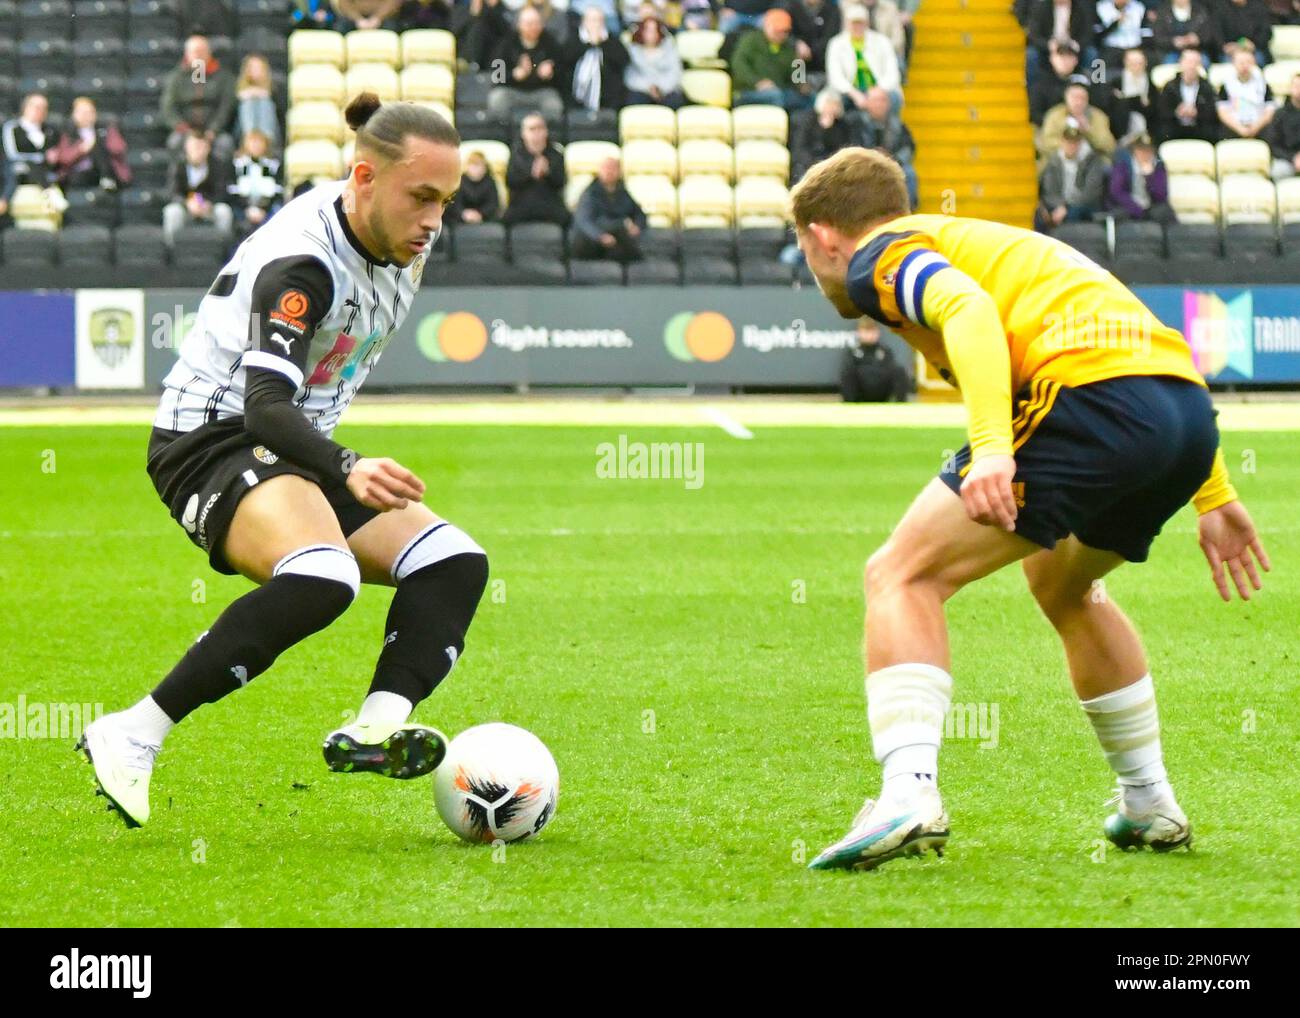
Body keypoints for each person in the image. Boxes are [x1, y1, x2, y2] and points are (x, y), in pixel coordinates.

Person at [790, 146, 1267, 870]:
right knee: (1063, 583)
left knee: (901, 575)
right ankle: (1148, 800)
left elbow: (966, 309)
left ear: (826, 233)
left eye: (803, 246)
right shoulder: (999, 245)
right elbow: (1146, 341)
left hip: (1092, 399)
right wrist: (1214, 488)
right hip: (1182, 413)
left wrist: (992, 449)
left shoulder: (878, 256)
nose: (810, 263)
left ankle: (907, 794)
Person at [78, 94, 489, 830]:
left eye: (447, 202)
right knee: (324, 575)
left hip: (298, 450)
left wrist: (333, 464)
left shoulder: (402, 245)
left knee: (453, 561)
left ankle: (374, 730)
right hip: (213, 439)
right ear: (363, 177)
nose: (434, 220)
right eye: (421, 197)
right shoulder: (303, 264)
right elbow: (265, 404)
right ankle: (134, 731)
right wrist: (347, 463)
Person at [161, 35, 237, 163]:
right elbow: (168, 108)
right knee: (174, 143)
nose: (199, 55)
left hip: (213, 131)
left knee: (225, 144)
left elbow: (226, 106)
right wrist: (185, 130)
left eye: (202, 51)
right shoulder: (176, 78)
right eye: (195, 52)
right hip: (185, 131)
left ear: (209, 53)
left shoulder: (223, 77)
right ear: (187, 54)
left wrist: (213, 129)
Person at [487, 6, 567, 122]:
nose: (533, 27)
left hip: (542, 90)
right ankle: (504, 135)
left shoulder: (551, 43)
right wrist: (514, 75)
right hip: (513, 90)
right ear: (519, 24)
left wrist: (551, 74)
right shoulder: (506, 43)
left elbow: (563, 72)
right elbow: (495, 75)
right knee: (497, 99)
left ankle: (543, 136)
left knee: (554, 105)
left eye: (537, 23)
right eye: (529, 24)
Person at [730, 8, 815, 111]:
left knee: (810, 98)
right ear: (767, 27)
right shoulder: (750, 40)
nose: (782, 35)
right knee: (776, 96)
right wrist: (757, 82)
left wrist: (802, 83)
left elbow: (796, 74)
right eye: (778, 31)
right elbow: (738, 64)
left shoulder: (788, 46)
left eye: (785, 31)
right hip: (748, 92)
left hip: (780, 91)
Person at [826, 4, 903, 114]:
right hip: (850, 92)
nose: (857, 27)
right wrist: (854, 93)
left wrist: (878, 90)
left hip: (878, 89)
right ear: (847, 23)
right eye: (854, 23)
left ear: (867, 23)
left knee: (893, 99)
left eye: (860, 23)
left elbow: (892, 74)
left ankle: (891, 130)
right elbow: (835, 77)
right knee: (835, 101)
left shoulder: (882, 42)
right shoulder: (836, 43)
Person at [48, 97, 132, 192]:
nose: (86, 116)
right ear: (74, 114)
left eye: (89, 112)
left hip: (103, 172)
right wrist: (81, 149)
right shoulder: (66, 132)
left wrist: (108, 135)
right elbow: (64, 158)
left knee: (98, 144)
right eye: (82, 112)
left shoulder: (104, 129)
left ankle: (106, 179)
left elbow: (118, 149)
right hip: (75, 175)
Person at [572, 155, 647, 261]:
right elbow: (584, 221)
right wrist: (601, 236)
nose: (609, 171)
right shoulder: (590, 193)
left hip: (616, 238)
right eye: (606, 168)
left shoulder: (623, 193)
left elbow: (638, 213)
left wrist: (637, 226)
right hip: (592, 241)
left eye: (613, 168)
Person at [163, 133, 235, 242]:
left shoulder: (217, 165)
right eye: (194, 147)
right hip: (186, 207)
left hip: (209, 206)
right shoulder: (178, 165)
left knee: (224, 211)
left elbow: (222, 191)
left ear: (208, 148)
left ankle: (223, 249)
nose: (198, 151)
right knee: (172, 212)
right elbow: (172, 192)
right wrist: (187, 203)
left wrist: (209, 204)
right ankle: (171, 249)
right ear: (186, 147)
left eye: (202, 147)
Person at [1034, 124, 1107, 230]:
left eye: (1075, 142)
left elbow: (1090, 193)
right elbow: (1049, 191)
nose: (1071, 146)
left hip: (1082, 205)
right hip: (1059, 205)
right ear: (1062, 142)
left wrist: (1067, 207)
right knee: (1040, 215)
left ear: (1080, 143)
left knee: (1074, 213)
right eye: (1068, 142)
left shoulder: (1091, 161)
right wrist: (1060, 206)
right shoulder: (1054, 161)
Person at [502, 112, 570, 225]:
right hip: (522, 203)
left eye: (540, 128)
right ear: (523, 133)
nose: (536, 133)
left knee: (568, 220)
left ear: (546, 131)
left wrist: (548, 172)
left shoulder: (556, 154)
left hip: (549, 202)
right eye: (532, 129)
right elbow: (510, 182)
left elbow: (561, 183)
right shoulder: (516, 154)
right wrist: (531, 173)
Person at [856, 85, 918, 209]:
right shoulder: (856, 123)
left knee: (909, 173)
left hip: (892, 163)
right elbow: (849, 145)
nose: (879, 104)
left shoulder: (898, 125)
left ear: (889, 103)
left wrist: (892, 158)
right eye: (875, 100)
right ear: (867, 102)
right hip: (861, 164)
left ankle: (906, 212)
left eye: (883, 100)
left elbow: (908, 147)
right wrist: (871, 155)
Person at [565, 7, 629, 112]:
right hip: (576, 92)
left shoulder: (611, 39)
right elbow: (566, 59)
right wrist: (590, 44)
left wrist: (602, 43)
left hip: (607, 94)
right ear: (584, 22)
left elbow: (623, 60)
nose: (596, 24)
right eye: (593, 20)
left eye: (600, 20)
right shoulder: (574, 38)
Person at [1038, 77, 1117, 161]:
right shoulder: (1054, 115)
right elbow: (1045, 142)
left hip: (1091, 163)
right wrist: (1068, 146)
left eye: (1082, 98)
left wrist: (1089, 130)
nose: (1078, 102)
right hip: (1059, 162)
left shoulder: (1098, 117)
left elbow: (1109, 147)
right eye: (1074, 97)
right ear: (1066, 97)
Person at [1154, 46, 1218, 142]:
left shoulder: (1207, 87)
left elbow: (1212, 111)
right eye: (1188, 62)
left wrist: (1197, 113)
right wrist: (1177, 112)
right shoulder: (1170, 86)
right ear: (1181, 63)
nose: (1191, 66)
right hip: (1175, 127)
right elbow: (1162, 110)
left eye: (1195, 63)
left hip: (1199, 127)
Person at [1108, 132, 1177, 222]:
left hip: (1151, 208)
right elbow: (1117, 191)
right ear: (1134, 150)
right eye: (1141, 150)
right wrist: (1137, 209)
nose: (1145, 154)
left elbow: (1161, 195)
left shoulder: (1158, 165)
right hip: (1129, 207)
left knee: (1165, 212)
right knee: (1121, 214)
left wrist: (1149, 177)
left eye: (1148, 150)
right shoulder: (1123, 164)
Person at [229, 128, 284, 237]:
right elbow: (233, 190)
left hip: (267, 208)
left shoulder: (272, 165)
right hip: (243, 208)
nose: (256, 146)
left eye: (259, 142)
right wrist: (247, 209)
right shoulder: (238, 164)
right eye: (252, 142)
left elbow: (277, 190)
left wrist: (262, 209)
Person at [839, 317, 909, 402]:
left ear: (877, 332)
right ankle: (849, 406)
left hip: (881, 391)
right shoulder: (853, 352)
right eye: (866, 331)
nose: (869, 335)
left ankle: (900, 405)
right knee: (848, 372)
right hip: (861, 393)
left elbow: (890, 370)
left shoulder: (885, 351)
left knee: (899, 370)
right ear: (859, 332)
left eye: (872, 331)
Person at [624, 15, 687, 108]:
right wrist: (649, 88)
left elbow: (675, 73)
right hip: (641, 90)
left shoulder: (670, 49)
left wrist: (660, 89)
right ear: (642, 31)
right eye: (648, 30)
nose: (652, 34)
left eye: (654, 30)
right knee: (633, 100)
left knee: (675, 101)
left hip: (667, 91)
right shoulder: (632, 51)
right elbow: (630, 76)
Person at [792, 89, 855, 181]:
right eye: (828, 104)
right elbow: (800, 147)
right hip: (809, 163)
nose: (831, 108)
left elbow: (841, 148)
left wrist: (828, 130)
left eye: (835, 105)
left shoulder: (843, 125)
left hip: (832, 165)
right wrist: (814, 164)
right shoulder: (808, 121)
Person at [1216, 45, 1275, 141]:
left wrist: (1256, 127)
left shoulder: (1263, 84)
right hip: (1234, 126)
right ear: (1234, 64)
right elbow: (1222, 112)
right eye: (1241, 63)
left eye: (1248, 62)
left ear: (1254, 63)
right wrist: (1240, 128)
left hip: (1258, 126)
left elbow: (1269, 111)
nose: (1244, 66)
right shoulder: (1226, 84)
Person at [235, 54, 282, 152]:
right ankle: (251, 142)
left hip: (271, 133)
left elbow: (281, 115)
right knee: (248, 104)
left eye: (259, 68)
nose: (256, 71)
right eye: (252, 68)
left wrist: (264, 95)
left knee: (265, 103)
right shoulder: (236, 89)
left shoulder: (276, 88)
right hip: (241, 133)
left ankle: (264, 143)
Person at [1150, 0, 1217, 65]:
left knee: (1205, 62)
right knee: (1168, 66)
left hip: (1197, 51)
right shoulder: (1163, 12)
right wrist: (1173, 42)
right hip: (1171, 52)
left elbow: (1209, 34)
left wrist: (1198, 39)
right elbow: (1158, 37)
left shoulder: (1200, 10)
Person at [447, 149, 501, 223]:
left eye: (479, 165)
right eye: (473, 165)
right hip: (460, 220)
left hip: (485, 220)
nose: (476, 169)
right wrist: (463, 213)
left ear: (485, 168)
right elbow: (454, 204)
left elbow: (493, 203)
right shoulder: (459, 181)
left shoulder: (490, 182)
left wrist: (480, 214)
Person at [1270, 72, 1300, 181]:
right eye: (1297, 86)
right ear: (1290, 88)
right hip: (1287, 159)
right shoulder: (1280, 114)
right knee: (1278, 171)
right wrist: (1293, 158)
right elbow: (1274, 145)